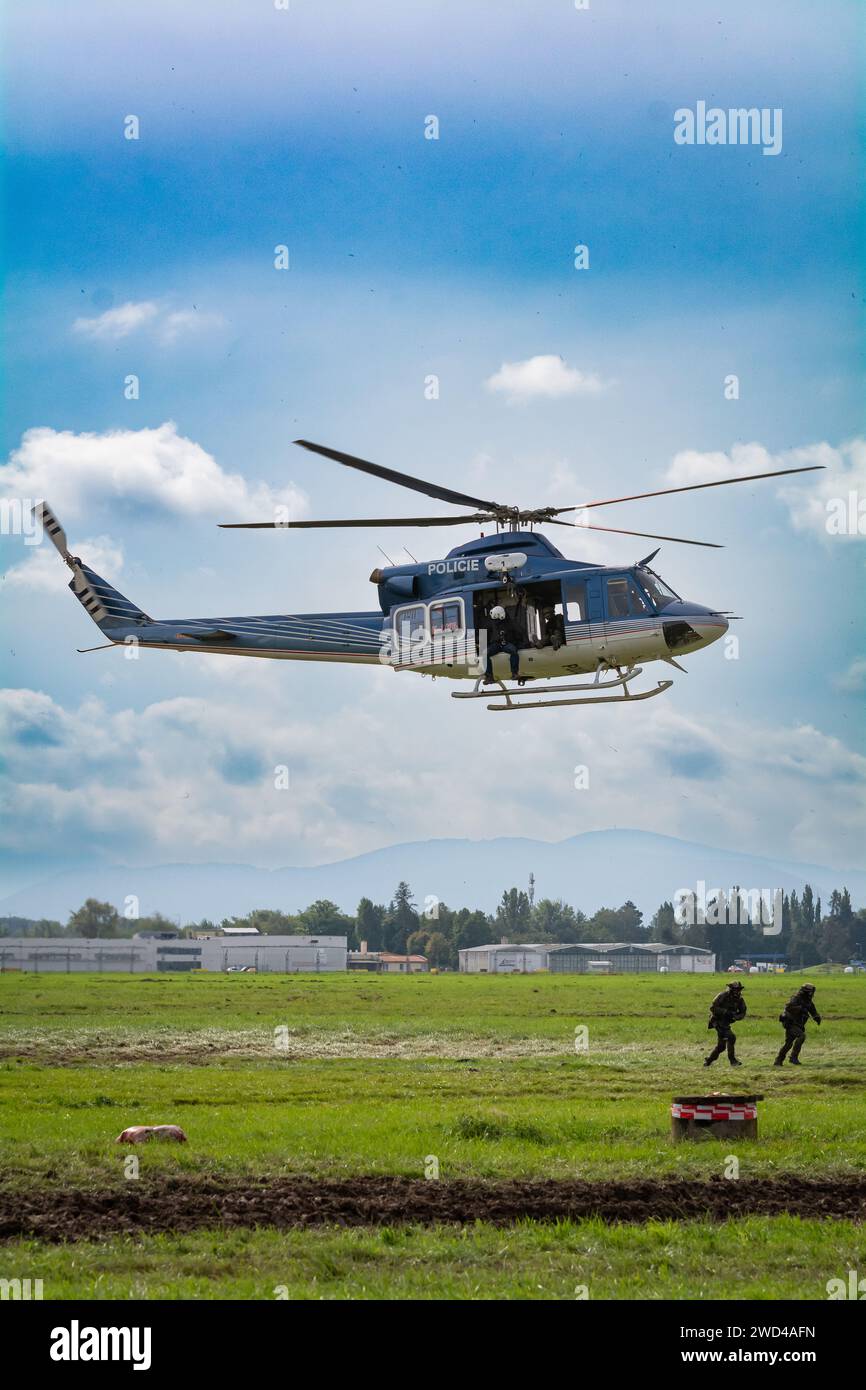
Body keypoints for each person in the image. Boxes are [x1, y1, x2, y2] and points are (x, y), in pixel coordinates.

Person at [773, 983, 821, 1066]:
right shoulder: (796, 998)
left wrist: (816, 1017)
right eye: (811, 992)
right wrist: (800, 1009)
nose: (812, 994)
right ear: (807, 992)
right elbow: (789, 1007)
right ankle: (793, 1058)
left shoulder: (808, 1000)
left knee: (788, 1043)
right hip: (790, 1022)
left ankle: (778, 1060)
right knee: (801, 1036)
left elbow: (812, 1010)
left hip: (798, 1024)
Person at [704, 980, 746, 1067]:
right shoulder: (722, 996)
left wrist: (735, 1017)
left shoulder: (740, 999)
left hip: (725, 1023)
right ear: (730, 989)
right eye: (735, 989)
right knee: (731, 1037)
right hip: (717, 1021)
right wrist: (725, 1012)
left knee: (721, 1047)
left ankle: (709, 1060)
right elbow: (713, 1008)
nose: (737, 991)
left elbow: (743, 1012)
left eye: (738, 990)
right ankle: (733, 1061)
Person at [483, 604, 521, 683]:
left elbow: (517, 633)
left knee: (513, 651)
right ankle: (489, 676)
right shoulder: (490, 623)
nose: (495, 620)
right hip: (496, 645)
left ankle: (514, 673)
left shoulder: (509, 623)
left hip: (506, 644)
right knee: (484, 654)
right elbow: (484, 633)